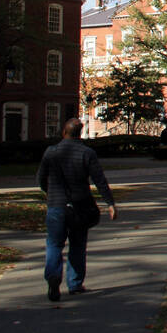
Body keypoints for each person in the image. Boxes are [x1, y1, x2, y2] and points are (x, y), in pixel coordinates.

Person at [37, 118, 117, 301]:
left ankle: (53, 276)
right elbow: (100, 180)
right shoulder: (86, 153)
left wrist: (49, 192)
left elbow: (41, 178)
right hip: (80, 206)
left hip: (56, 205)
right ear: (80, 134)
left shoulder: (51, 152)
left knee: (54, 244)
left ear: (63, 132)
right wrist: (110, 203)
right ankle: (75, 283)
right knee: (78, 244)